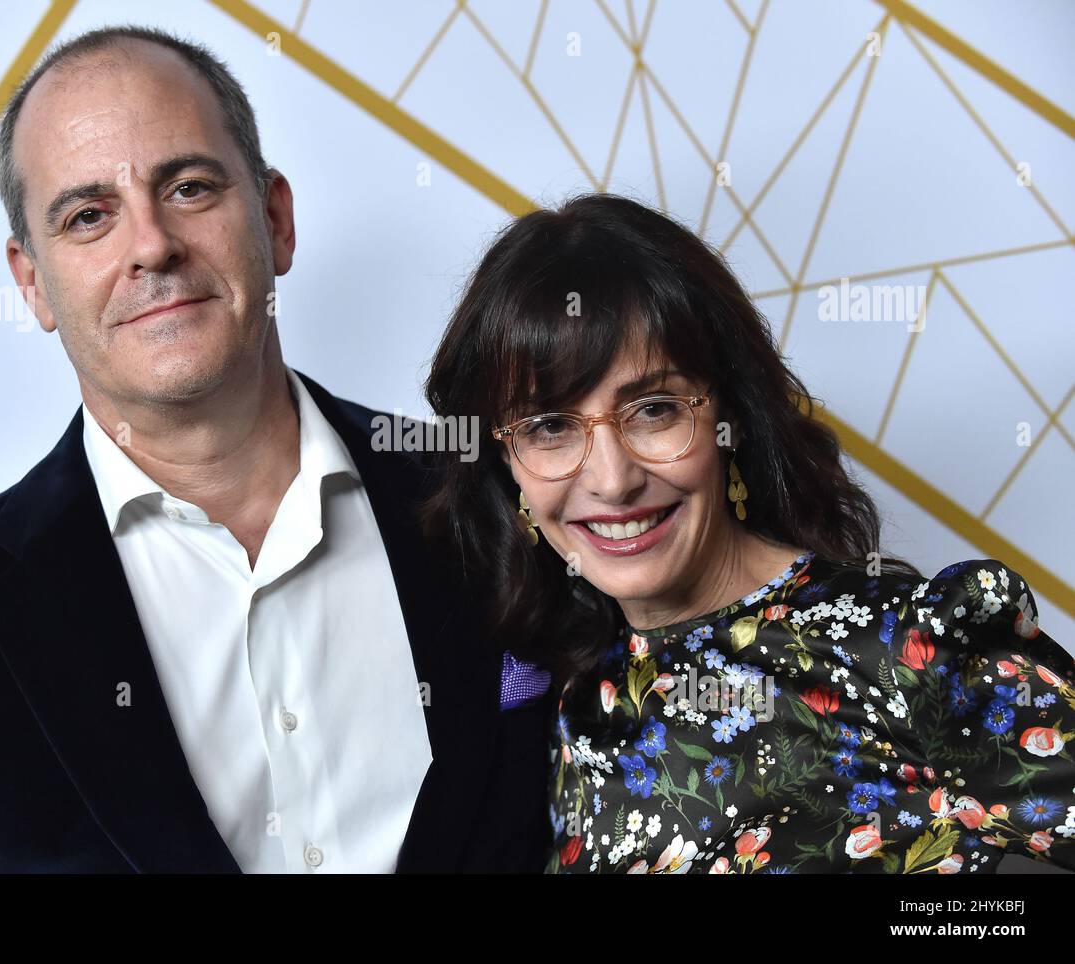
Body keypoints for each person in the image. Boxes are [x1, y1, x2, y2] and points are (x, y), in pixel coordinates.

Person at [0, 25, 551, 874]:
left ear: (276, 219)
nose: (152, 246)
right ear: (32, 283)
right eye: (89, 217)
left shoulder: (499, 499)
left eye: (191, 188)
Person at [424, 192, 1075, 874]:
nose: (612, 480)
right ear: (507, 464)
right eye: (549, 427)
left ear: (728, 418)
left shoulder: (907, 650)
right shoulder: (574, 711)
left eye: (655, 410)